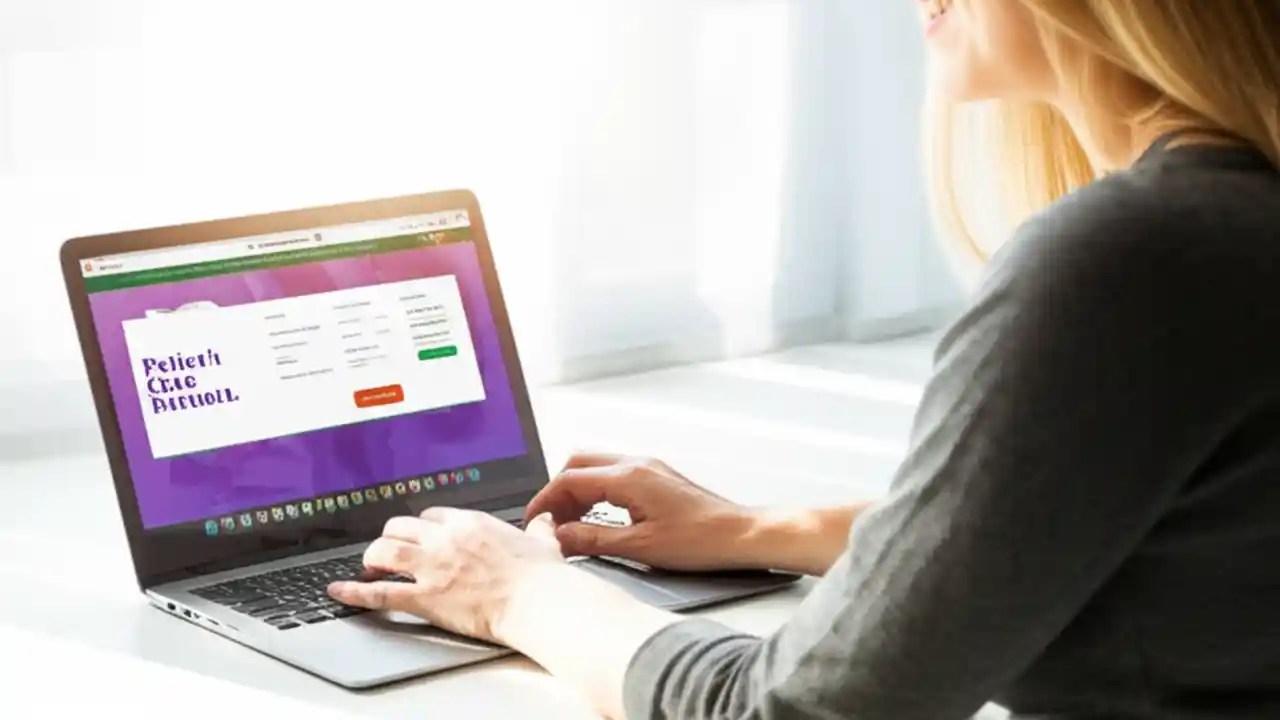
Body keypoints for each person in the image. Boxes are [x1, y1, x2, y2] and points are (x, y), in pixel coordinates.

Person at [328, 1, 1280, 717]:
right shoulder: (1232, 228)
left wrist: (518, 591)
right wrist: (759, 528)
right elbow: (1118, 530)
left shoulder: (1139, 261)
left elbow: (792, 711)